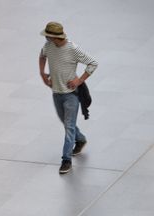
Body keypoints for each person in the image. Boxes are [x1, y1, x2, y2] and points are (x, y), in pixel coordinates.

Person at [39, 21, 98, 175]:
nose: (46, 39)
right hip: (56, 93)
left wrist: (79, 80)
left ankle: (66, 160)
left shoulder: (72, 49)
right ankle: (81, 139)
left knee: (69, 126)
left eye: (48, 37)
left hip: (71, 95)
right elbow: (42, 55)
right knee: (66, 123)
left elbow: (93, 63)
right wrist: (42, 74)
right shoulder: (49, 46)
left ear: (54, 37)